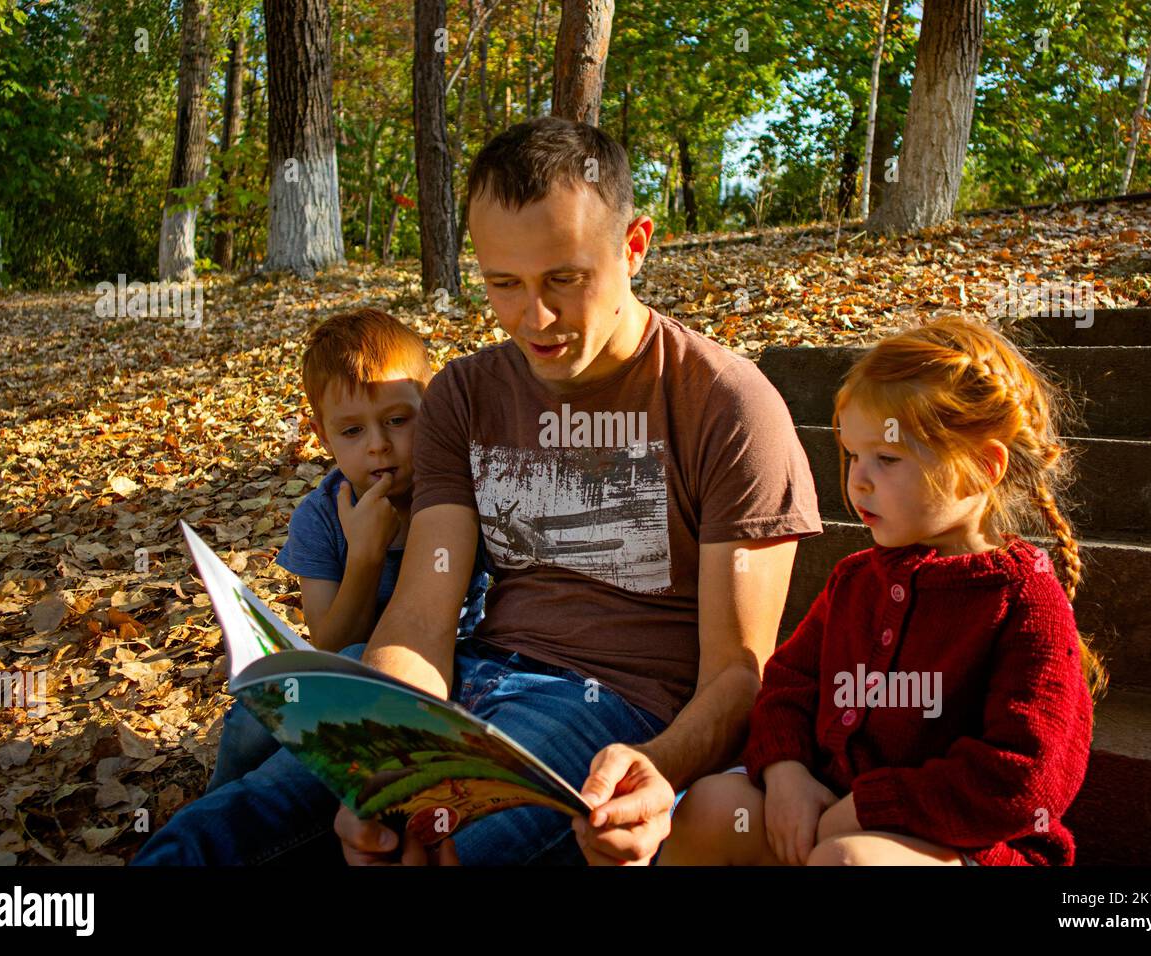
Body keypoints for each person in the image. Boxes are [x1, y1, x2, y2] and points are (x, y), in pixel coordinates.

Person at [333, 115, 822, 866]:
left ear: (635, 247)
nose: (534, 317)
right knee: (248, 817)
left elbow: (737, 673)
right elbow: (422, 617)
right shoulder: (465, 394)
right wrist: (386, 748)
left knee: (451, 848)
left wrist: (656, 772)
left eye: (563, 279)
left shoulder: (725, 404)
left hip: (615, 711)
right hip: (469, 679)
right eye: (503, 284)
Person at [658, 316, 1103, 866]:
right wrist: (786, 771)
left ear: (983, 468)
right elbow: (789, 685)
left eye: (887, 459)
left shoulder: (1022, 598)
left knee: (849, 860)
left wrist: (873, 807)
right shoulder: (855, 579)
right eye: (853, 455)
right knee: (710, 806)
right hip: (832, 815)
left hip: (968, 848)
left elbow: (1025, 776)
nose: (859, 480)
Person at [132, 309, 489, 863]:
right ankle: (221, 807)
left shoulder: (456, 496)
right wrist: (365, 554)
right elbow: (330, 641)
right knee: (255, 711)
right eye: (352, 431)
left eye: (398, 420)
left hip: (444, 673)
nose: (378, 446)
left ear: (431, 408)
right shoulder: (321, 517)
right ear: (323, 435)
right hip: (344, 669)